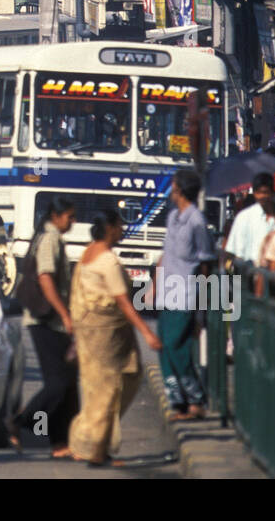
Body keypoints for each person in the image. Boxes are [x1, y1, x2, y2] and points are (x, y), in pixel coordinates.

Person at [67, 208, 162, 466]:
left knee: (119, 381)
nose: (123, 230)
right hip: (104, 337)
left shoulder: (88, 252)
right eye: (120, 225)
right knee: (105, 393)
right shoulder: (107, 260)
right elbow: (123, 302)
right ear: (109, 228)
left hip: (100, 334)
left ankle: (91, 442)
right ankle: (96, 450)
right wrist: (148, 333)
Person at [11, 197, 79, 456]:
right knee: (57, 384)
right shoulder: (50, 239)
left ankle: (59, 442)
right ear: (56, 215)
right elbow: (45, 278)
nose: (72, 222)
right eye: (70, 217)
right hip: (45, 321)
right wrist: (65, 314)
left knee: (66, 384)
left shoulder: (50, 237)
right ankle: (21, 423)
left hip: (50, 321)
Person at [156, 168, 216, 420]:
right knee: (163, 348)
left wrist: (202, 305)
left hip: (186, 295)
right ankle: (178, 403)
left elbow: (205, 262)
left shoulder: (197, 221)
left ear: (179, 189)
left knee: (176, 347)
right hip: (166, 293)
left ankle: (196, 399)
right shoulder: (172, 218)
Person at [223, 172, 275, 268]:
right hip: (245, 271)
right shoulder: (244, 217)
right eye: (258, 193)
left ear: (272, 193)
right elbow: (233, 250)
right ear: (254, 193)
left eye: (265, 192)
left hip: (271, 273)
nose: (262, 196)